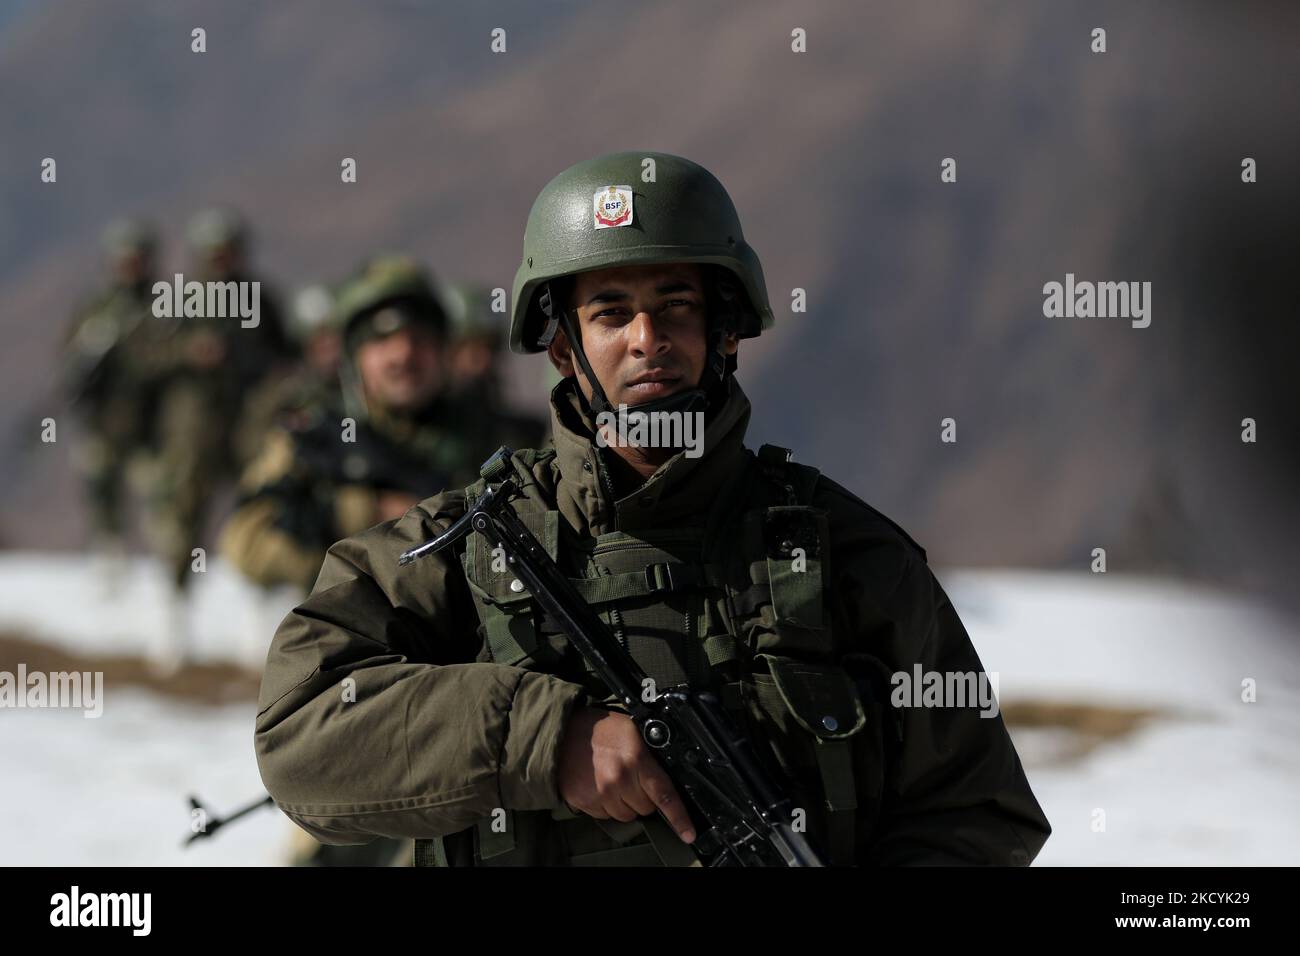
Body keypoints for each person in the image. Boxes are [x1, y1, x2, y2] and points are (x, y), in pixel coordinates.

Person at [254, 152, 1052, 866]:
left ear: (726, 330)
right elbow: (300, 735)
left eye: (676, 305)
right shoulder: (465, 545)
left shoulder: (846, 553)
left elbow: (981, 813)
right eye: (609, 312)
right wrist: (545, 738)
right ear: (563, 346)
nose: (647, 338)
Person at [219, 256, 486, 594]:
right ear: (354, 357)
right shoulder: (316, 436)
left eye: (419, 338)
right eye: (381, 339)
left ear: (443, 350)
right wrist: (364, 513)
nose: (402, 354)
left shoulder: (491, 435)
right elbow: (244, 544)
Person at [61, 218, 161, 564]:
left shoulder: (162, 305)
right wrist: (87, 351)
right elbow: (68, 365)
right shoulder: (96, 309)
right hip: (103, 423)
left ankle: (168, 568)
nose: (130, 267)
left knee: (157, 498)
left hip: (151, 424)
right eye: (123, 260)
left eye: (136, 259)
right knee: (100, 489)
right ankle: (109, 556)